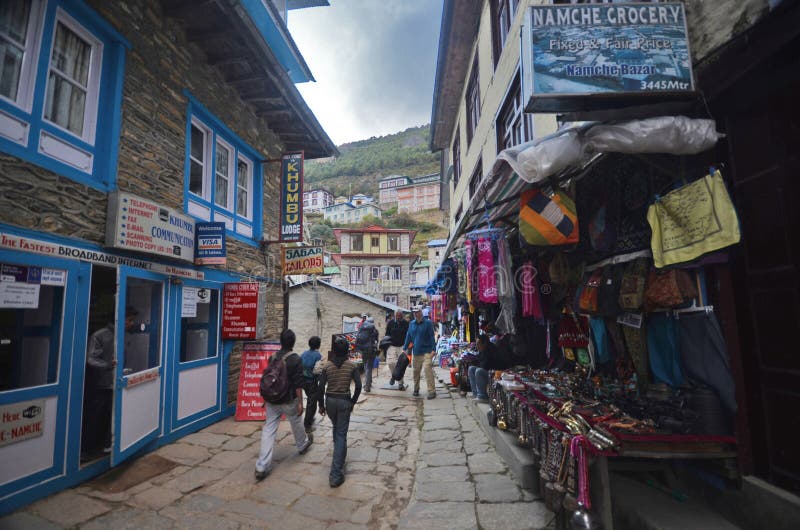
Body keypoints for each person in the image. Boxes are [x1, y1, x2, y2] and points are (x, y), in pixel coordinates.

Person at [255, 329, 313, 481]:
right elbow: (298, 384)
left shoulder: (273, 357)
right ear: (293, 342)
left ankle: (261, 466)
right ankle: (302, 445)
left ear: (281, 342)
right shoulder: (295, 359)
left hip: (272, 400)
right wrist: (300, 402)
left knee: (269, 430)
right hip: (288, 400)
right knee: (295, 422)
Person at [82, 306, 138, 457]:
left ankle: (107, 446)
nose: (131, 323)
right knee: (95, 417)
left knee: (110, 418)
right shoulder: (100, 335)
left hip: (117, 384)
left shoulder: (125, 336)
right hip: (101, 385)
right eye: (130, 320)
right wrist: (107, 366)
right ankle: (87, 450)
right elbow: (90, 358)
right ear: (119, 318)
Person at [318, 336, 362, 488]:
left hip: (330, 402)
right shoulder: (351, 366)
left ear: (334, 351)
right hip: (344, 401)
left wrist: (321, 406)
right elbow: (358, 386)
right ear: (347, 351)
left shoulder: (327, 366)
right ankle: (336, 474)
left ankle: (340, 459)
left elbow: (321, 387)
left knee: (337, 429)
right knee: (341, 434)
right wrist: (353, 402)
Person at [403, 306, 437, 399]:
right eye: (414, 312)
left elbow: (431, 336)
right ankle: (416, 389)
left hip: (427, 351)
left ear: (421, 312)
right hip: (417, 351)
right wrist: (405, 348)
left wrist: (434, 349)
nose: (415, 314)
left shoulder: (428, 323)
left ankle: (431, 391)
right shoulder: (412, 324)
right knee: (416, 371)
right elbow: (408, 336)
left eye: (417, 312)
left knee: (427, 369)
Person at [300, 336, 323, 434]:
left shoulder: (303, 354)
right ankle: (307, 425)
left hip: (303, 381)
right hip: (312, 381)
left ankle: (310, 418)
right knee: (311, 403)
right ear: (318, 345)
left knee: (311, 400)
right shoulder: (318, 356)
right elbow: (318, 371)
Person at [468, 334, 499, 402]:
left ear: (484, 343)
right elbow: (479, 361)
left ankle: (482, 396)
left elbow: (485, 365)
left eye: (478, 344)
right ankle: (476, 394)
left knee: (479, 371)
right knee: (471, 369)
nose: (477, 346)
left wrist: (478, 362)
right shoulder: (483, 350)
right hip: (487, 371)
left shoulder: (491, 349)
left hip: (494, 374)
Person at [386, 310, 409, 390]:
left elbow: (408, 335)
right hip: (392, 345)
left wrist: (407, 346)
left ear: (402, 316)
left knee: (401, 366)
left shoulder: (406, 323)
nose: (398, 317)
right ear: (395, 315)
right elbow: (387, 334)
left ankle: (400, 383)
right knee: (391, 363)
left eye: (400, 316)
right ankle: (394, 376)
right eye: (397, 316)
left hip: (402, 346)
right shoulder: (390, 323)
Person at [355, 316, 378, 392]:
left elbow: (357, 338)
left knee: (366, 366)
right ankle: (367, 386)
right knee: (369, 367)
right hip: (371, 350)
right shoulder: (374, 331)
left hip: (363, 349)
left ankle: (369, 382)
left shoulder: (362, 328)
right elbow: (376, 341)